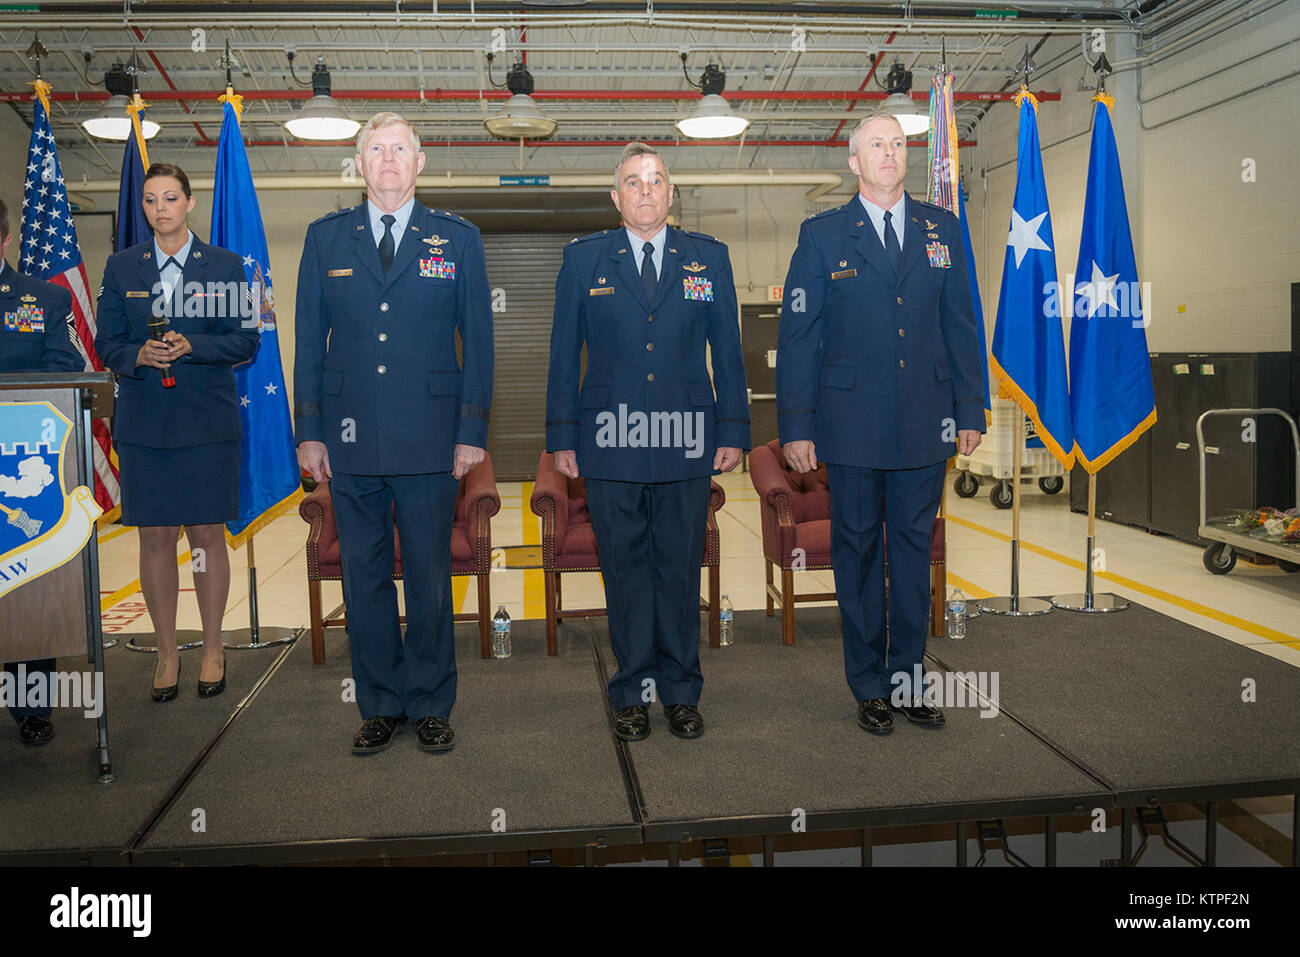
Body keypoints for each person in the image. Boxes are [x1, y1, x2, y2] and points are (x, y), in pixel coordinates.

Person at [776, 112, 985, 735]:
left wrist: (969, 408)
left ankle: (907, 680)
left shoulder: (940, 228)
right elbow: (798, 338)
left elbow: (961, 324)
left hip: (927, 424)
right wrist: (797, 425)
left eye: (898, 144)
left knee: (914, 556)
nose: (889, 154)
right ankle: (868, 684)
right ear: (854, 161)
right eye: (876, 145)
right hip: (850, 428)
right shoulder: (821, 236)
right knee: (860, 554)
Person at [294, 112, 493, 756]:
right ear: (358, 163)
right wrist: (311, 431)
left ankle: (432, 701)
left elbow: (480, 347)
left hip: (432, 437)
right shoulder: (326, 241)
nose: (387, 160)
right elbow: (308, 348)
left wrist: (470, 430)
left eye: (399, 149)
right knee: (365, 575)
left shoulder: (456, 240)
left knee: (431, 574)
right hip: (349, 439)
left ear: (419, 163)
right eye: (375, 149)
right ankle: (379, 703)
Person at [545, 142, 749, 742]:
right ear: (616, 197)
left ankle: (682, 691)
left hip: (687, 439)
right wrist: (562, 436)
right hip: (609, 441)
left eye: (656, 180)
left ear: (670, 192)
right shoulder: (584, 261)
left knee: (680, 570)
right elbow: (563, 357)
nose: (645, 191)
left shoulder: (707, 259)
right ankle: (632, 690)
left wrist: (733, 428)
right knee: (627, 570)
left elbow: (728, 354)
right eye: (633, 182)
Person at [95, 162, 260, 703]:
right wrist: (137, 353)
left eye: (170, 198)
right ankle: (167, 652)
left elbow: (246, 343)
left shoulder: (227, 266)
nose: (159, 208)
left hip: (207, 424)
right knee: (156, 538)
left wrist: (195, 345)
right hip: (145, 425)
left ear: (190, 203)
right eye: (149, 200)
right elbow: (106, 343)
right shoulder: (122, 268)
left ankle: (212, 647)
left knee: (207, 538)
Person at [0, 196, 83, 745]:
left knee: (24, 586)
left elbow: (67, 366)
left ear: (4, 239)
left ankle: (32, 704)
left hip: (20, 464)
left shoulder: (43, 298)